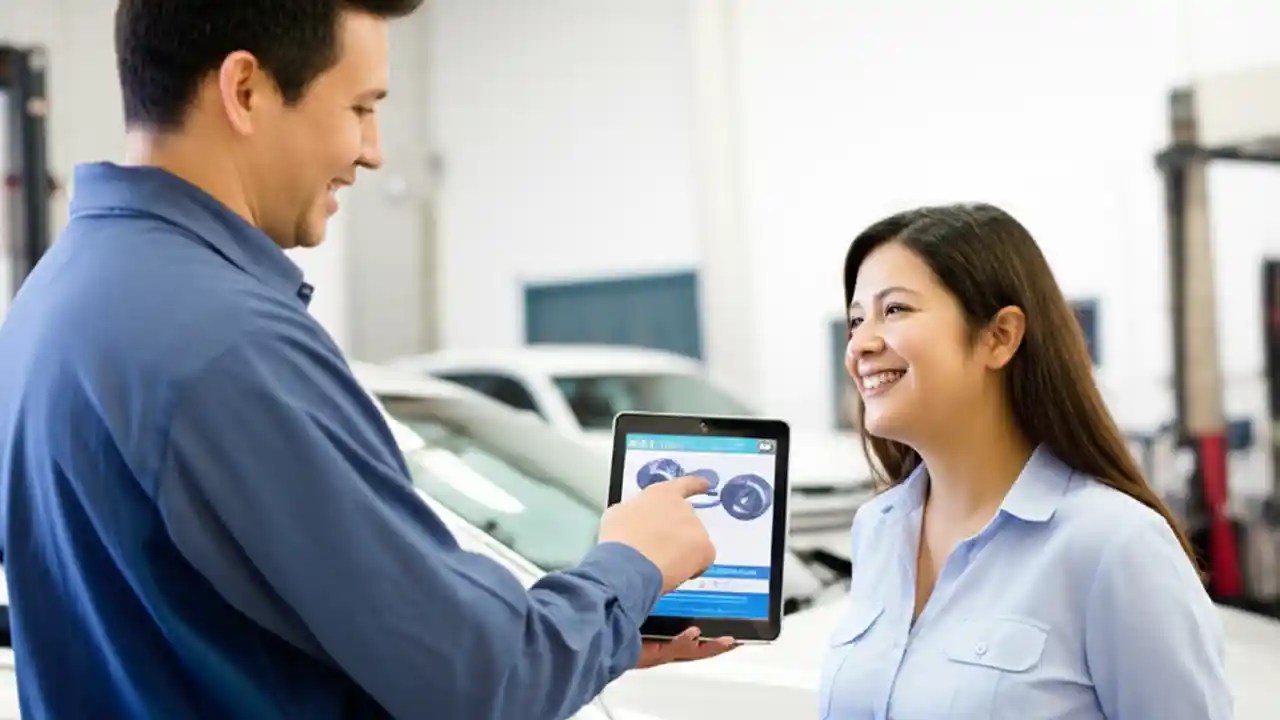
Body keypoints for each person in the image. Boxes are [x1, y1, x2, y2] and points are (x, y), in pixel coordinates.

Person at [0, 2, 734, 718]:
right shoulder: (227, 340)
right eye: (360, 107)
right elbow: (481, 682)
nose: (373, 149)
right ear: (246, 90)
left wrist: (587, 636)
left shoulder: (50, 303)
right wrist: (630, 565)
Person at [820, 204, 1232, 719]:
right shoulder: (877, 531)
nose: (861, 343)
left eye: (895, 310)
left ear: (1000, 336)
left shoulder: (1113, 544)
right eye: (856, 320)